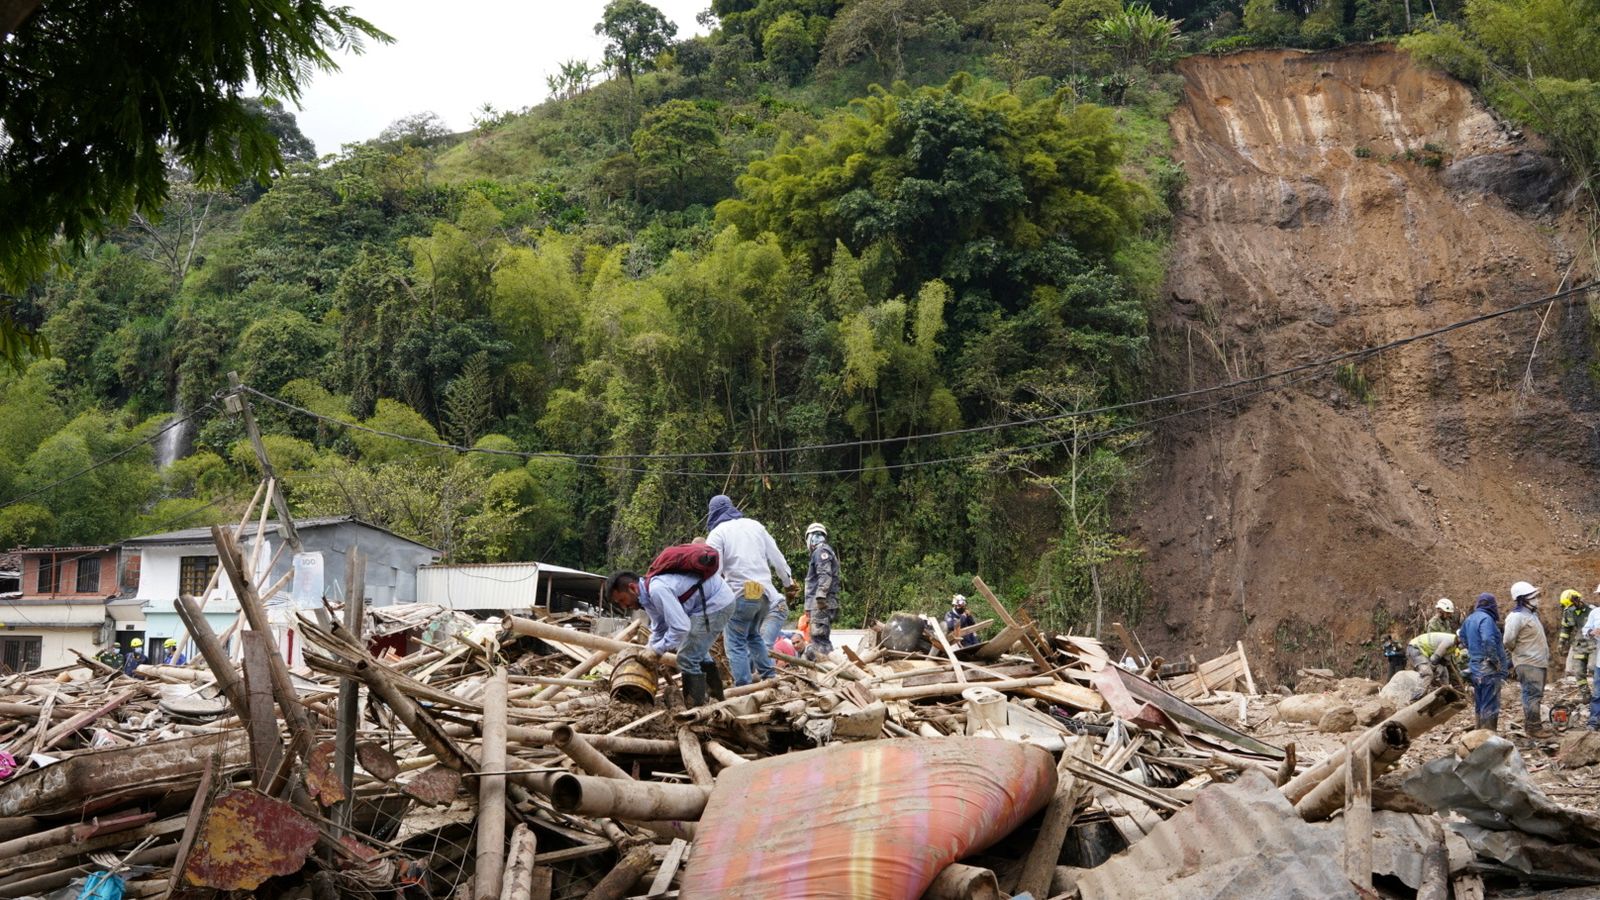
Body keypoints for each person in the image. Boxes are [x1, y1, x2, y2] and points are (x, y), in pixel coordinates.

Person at [603, 566, 735, 707]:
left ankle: (696, 711)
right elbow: (660, 628)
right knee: (696, 652)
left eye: (622, 600)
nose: (624, 606)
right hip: (707, 604)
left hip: (717, 602)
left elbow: (680, 627)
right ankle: (717, 698)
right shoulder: (647, 597)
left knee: (687, 658)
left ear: (632, 588)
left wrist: (656, 651)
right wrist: (649, 648)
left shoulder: (657, 590)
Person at [705, 495, 795, 686]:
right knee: (753, 635)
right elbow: (778, 559)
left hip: (740, 594)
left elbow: (714, 571)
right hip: (764, 594)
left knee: (735, 642)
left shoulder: (717, 534)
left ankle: (743, 686)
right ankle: (769, 677)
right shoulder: (756, 526)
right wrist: (788, 584)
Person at [1502, 580, 1550, 738]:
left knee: (1534, 695)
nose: (1536, 599)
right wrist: (1520, 652)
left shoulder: (1531, 615)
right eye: (1533, 596)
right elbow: (1508, 640)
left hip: (1537, 662)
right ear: (1523, 599)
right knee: (1532, 695)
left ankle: (1532, 726)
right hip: (1528, 662)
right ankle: (1534, 728)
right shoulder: (1516, 617)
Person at [1461, 592, 1512, 732]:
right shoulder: (1487, 619)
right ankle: (1488, 737)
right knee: (1490, 703)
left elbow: (1463, 638)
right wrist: (1494, 660)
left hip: (1475, 666)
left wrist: (1474, 652)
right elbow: (1488, 640)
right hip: (1488, 668)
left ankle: (1478, 734)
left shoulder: (1469, 619)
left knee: (1480, 702)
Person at [802, 522, 839, 660]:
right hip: (819, 604)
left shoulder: (821, 551)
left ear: (811, 537)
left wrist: (820, 597)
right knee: (820, 638)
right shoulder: (823, 551)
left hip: (821, 604)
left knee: (820, 640)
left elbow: (824, 574)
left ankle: (826, 668)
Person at [1560, 588, 1595, 702]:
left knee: (1593, 668)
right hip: (1580, 644)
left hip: (1595, 643)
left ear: (1577, 599)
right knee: (1578, 670)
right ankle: (1585, 694)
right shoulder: (1568, 612)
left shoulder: (1592, 611)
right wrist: (1562, 642)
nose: (1570, 607)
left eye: (1571, 605)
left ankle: (1597, 693)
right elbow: (1566, 627)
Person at [1406, 631, 1458, 695]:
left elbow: (1444, 661)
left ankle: (1445, 695)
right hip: (1415, 648)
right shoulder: (1449, 641)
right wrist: (1434, 670)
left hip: (1426, 653)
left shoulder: (1455, 645)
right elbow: (1434, 659)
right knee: (1427, 673)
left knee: (1444, 673)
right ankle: (1416, 698)